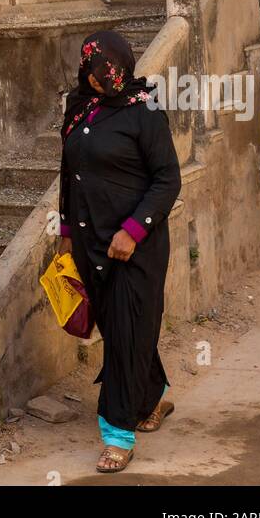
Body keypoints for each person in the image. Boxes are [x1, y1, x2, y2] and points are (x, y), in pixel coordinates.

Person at [58, 30, 181, 474]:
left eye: (107, 72)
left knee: (127, 332)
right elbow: (67, 174)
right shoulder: (79, 108)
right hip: (92, 245)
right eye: (94, 72)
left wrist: (133, 230)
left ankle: (116, 434)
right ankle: (152, 395)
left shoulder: (144, 109)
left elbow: (168, 179)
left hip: (135, 249)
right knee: (118, 328)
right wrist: (67, 231)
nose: (101, 80)